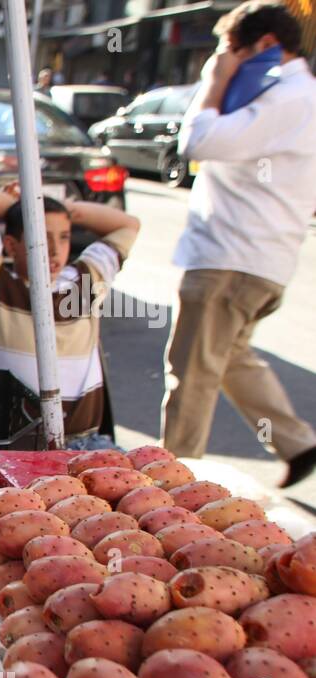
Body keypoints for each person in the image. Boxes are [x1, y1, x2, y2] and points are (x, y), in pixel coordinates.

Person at [163, 0, 316, 487]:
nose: (223, 59)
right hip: (257, 258)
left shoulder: (287, 98)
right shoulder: (289, 95)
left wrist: (214, 78)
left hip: (231, 258)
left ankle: (172, 486)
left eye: (230, 50)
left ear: (266, 46)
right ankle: (298, 441)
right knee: (228, 357)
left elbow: (199, 143)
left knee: (193, 374)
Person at [0, 182, 141, 448]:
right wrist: (24, 208)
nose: (55, 250)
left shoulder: (86, 280)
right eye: (40, 238)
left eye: (64, 236)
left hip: (85, 443)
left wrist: (64, 208)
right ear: (11, 245)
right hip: (13, 444)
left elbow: (128, 225)